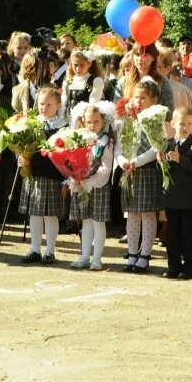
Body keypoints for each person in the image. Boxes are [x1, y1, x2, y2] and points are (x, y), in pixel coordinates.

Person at [117, 79, 165, 274]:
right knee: (132, 214)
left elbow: (156, 147)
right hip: (129, 171)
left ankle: (145, 254)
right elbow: (120, 144)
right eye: (136, 97)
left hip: (146, 171)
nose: (138, 101)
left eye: (143, 97)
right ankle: (132, 253)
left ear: (154, 99)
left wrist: (138, 161)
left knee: (147, 213)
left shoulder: (156, 119)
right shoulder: (128, 119)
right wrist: (123, 161)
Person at [18, 87, 66, 265]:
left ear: (57, 106)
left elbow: (66, 154)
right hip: (34, 175)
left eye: (48, 104)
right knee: (34, 214)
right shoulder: (31, 123)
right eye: (40, 104)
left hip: (53, 175)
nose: (44, 107)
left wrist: (66, 179)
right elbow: (22, 146)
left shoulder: (62, 126)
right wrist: (21, 158)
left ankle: (50, 251)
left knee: (50, 215)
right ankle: (35, 249)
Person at [161, 105, 192, 279]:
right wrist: (162, 161)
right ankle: (173, 266)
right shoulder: (168, 144)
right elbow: (164, 172)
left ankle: (189, 267)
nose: (185, 127)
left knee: (188, 235)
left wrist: (180, 158)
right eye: (181, 123)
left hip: (190, 198)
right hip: (172, 197)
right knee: (172, 234)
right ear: (173, 123)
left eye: (189, 123)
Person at [69, 101, 115, 271]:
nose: (92, 125)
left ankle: (97, 258)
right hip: (83, 186)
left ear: (103, 120)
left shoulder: (105, 142)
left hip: (97, 186)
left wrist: (89, 181)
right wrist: (75, 178)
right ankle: (84, 256)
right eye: (89, 122)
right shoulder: (80, 139)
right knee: (86, 222)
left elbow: (105, 169)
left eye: (96, 121)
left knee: (98, 222)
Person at [62, 49, 106, 116]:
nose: (78, 69)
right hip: (67, 121)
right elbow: (63, 103)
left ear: (89, 63)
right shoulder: (68, 82)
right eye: (75, 65)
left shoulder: (96, 82)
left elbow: (92, 105)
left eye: (82, 65)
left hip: (85, 121)